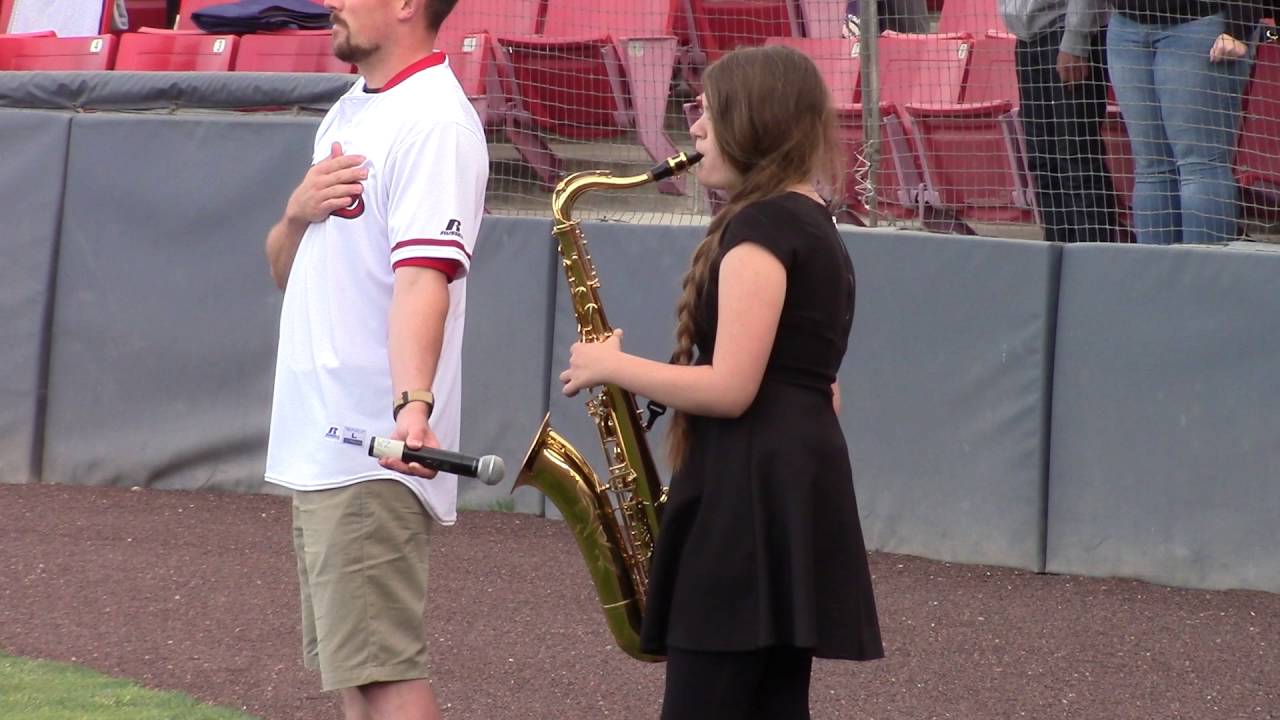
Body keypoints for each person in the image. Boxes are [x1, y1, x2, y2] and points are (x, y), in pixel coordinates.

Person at [560, 45, 883, 720]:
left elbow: (734, 386)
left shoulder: (762, 229)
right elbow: (822, 390)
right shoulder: (812, 221)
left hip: (748, 498)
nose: (695, 128)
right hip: (786, 487)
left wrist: (609, 366)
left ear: (751, 120)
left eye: (706, 111)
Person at [262, 0, 487, 718]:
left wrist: (411, 409)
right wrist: (296, 211)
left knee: (383, 670)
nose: (330, 1)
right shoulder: (350, 113)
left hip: (372, 441)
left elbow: (425, 281)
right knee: (357, 675)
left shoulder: (435, 120)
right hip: (325, 439)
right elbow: (284, 271)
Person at [1103, 0, 1264, 243]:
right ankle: (1157, 277)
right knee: (1150, 167)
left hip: (1200, 22)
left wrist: (1238, 28)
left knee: (1200, 165)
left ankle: (1204, 276)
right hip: (1126, 26)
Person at [1001, 0, 1120, 242]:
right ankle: (1057, 257)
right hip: (1026, 36)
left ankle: (1094, 260)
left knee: (1077, 159)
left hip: (1066, 35)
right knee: (1042, 161)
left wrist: (1076, 39)